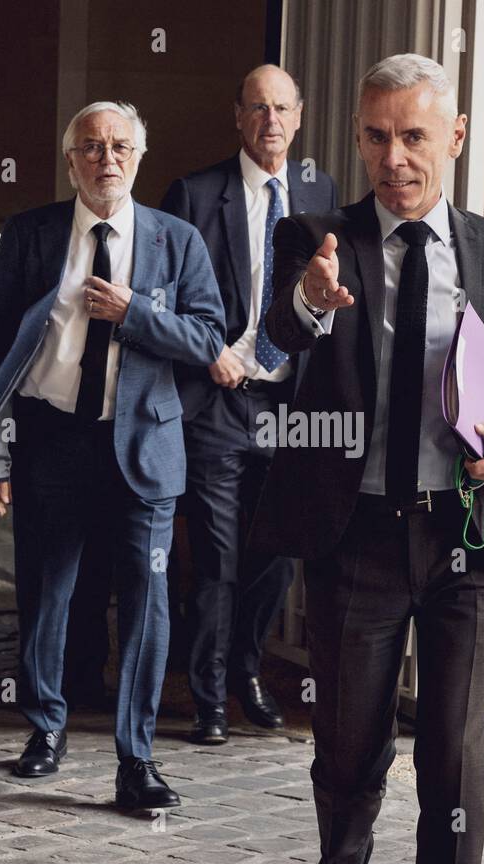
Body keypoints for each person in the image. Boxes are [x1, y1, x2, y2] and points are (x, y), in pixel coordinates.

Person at [250, 54, 484, 864]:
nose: (395, 159)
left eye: (414, 136)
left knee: (453, 761)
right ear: (356, 138)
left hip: (468, 536)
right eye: (377, 138)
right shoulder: (315, 240)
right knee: (349, 754)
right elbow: (274, 340)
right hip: (359, 538)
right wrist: (310, 301)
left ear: (453, 137)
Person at [0, 101, 225, 809]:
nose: (106, 158)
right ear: (70, 158)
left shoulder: (178, 241)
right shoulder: (32, 234)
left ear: (138, 156)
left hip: (143, 446)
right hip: (53, 443)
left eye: (119, 146)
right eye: (90, 146)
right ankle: (45, 727)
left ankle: (136, 760)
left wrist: (135, 312)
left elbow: (209, 342)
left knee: (146, 604)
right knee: (47, 594)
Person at [161, 64, 337, 745]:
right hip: (217, 400)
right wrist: (210, 351)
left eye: (282, 108)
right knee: (215, 557)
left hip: (291, 406)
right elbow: (165, 296)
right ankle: (207, 696)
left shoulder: (320, 192)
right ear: (238, 115)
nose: (271, 121)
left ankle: (246, 669)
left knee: (278, 554)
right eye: (258, 108)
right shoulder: (196, 194)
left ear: (299, 117)